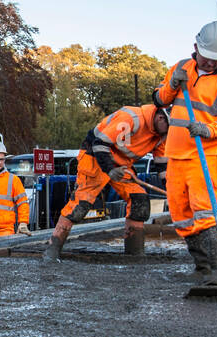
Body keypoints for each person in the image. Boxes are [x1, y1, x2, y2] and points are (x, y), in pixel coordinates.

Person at [151, 20, 217, 284]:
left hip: (208, 153)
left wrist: (209, 130)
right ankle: (202, 266)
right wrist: (172, 84)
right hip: (177, 152)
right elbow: (159, 100)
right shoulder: (182, 67)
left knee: (205, 211)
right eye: (208, 58)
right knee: (180, 214)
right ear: (196, 47)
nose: (212, 64)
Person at [45, 103, 169, 261]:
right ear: (160, 118)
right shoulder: (131, 118)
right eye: (170, 127)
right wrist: (110, 169)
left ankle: (135, 253)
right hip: (95, 157)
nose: (171, 132)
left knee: (139, 200)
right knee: (80, 205)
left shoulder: (161, 135)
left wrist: (172, 190)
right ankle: (52, 249)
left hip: (121, 165)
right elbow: (99, 144)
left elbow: (162, 166)